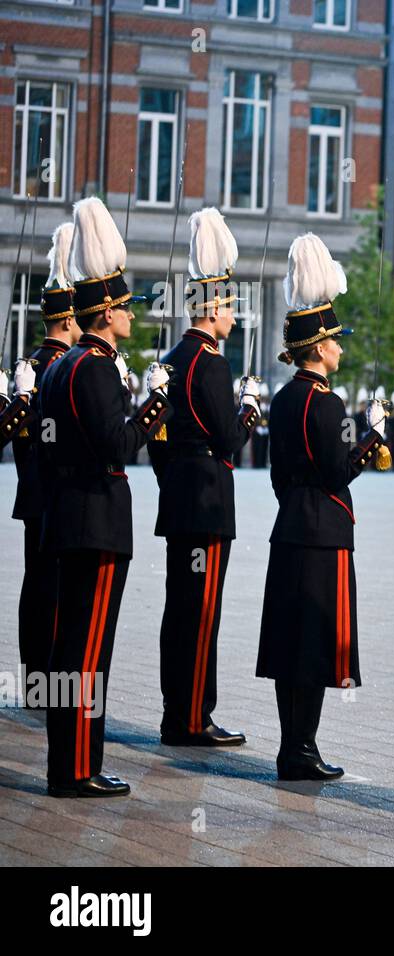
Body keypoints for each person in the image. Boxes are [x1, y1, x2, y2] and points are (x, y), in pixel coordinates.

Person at [41, 197, 171, 797]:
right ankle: (74, 769)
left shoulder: (62, 366)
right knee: (87, 649)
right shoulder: (93, 368)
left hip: (72, 517)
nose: (133, 319)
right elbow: (117, 444)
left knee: (76, 646)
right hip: (95, 521)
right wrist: (152, 406)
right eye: (127, 310)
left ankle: (77, 763)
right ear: (109, 311)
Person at [256, 233, 387, 781]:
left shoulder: (285, 399)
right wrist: (371, 435)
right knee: (313, 644)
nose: (340, 348)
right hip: (324, 532)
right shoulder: (327, 401)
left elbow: (279, 474)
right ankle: (301, 749)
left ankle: (294, 746)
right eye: (335, 342)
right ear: (318, 348)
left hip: (290, 526)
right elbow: (338, 469)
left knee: (292, 644)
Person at [150, 208, 260, 747]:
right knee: (202, 613)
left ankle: (178, 712)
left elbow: (156, 439)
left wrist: (172, 479)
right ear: (212, 308)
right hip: (209, 502)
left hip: (178, 499)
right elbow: (229, 439)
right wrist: (249, 408)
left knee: (180, 609)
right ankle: (193, 719)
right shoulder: (211, 364)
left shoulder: (171, 360)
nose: (234, 318)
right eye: (230, 309)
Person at [6, 222, 80, 706]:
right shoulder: (62, 366)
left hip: (30, 488)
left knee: (36, 584)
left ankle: (34, 676)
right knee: (53, 590)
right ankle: (45, 681)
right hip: (56, 491)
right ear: (70, 320)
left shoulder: (31, 363)